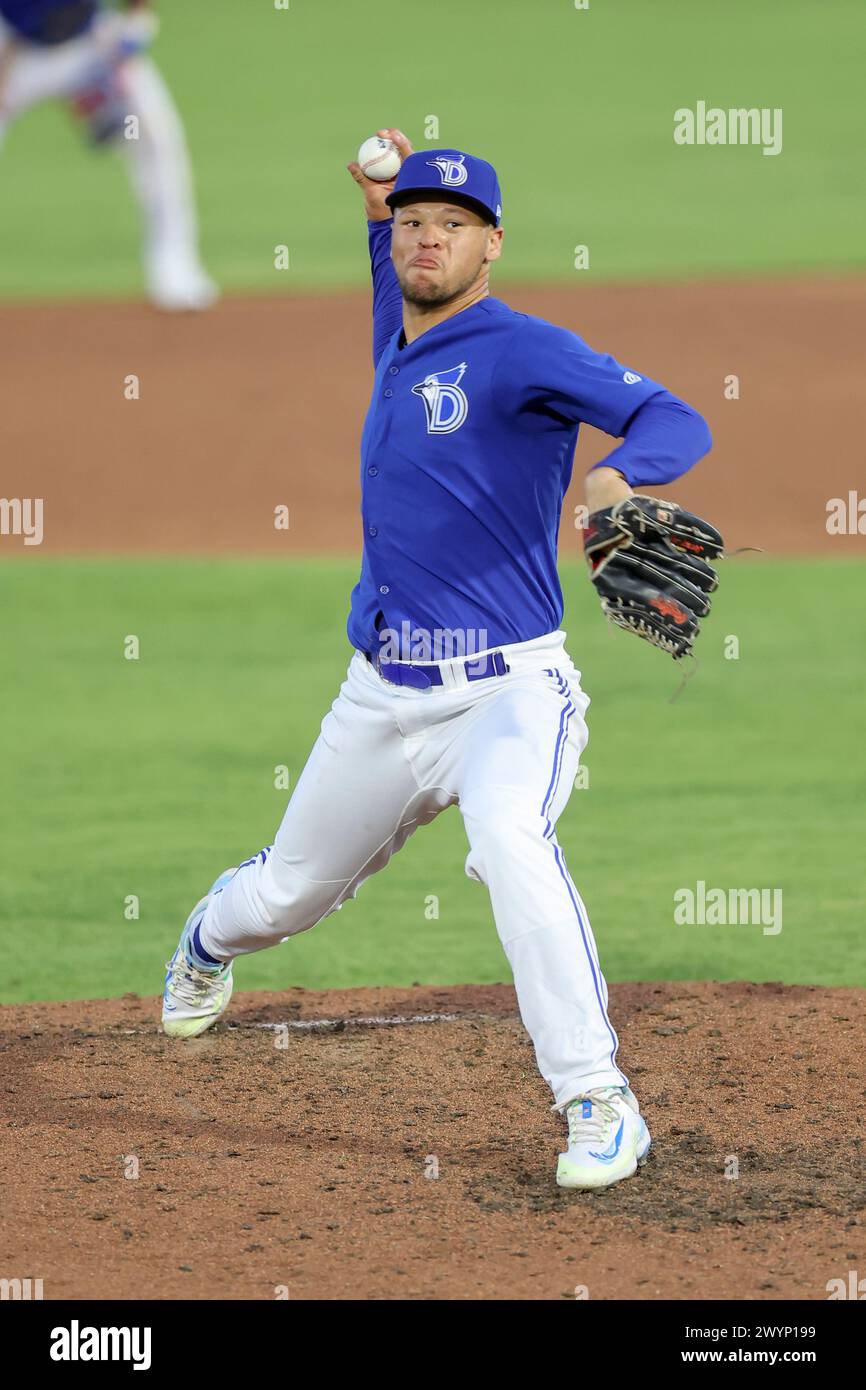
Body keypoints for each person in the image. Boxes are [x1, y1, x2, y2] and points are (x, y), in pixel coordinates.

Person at [162, 129, 713, 1191]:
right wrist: (378, 201)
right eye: (414, 223)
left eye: (450, 226)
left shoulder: (521, 348)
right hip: (377, 700)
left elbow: (668, 412)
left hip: (508, 691)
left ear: (491, 244)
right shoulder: (399, 331)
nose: (426, 240)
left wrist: (615, 479)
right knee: (280, 898)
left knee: (509, 839)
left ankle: (597, 1098)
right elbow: (389, 257)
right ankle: (202, 941)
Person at [0, 0, 216, 309]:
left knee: (155, 138)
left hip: (88, 42)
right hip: (15, 53)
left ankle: (175, 265)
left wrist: (136, 26)